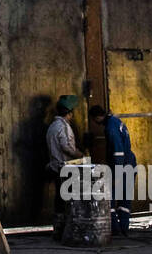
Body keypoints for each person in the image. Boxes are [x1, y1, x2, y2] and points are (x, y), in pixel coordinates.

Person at [90, 105, 136, 235]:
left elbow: (118, 152)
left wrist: (117, 173)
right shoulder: (115, 121)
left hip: (121, 166)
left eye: (94, 120)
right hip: (129, 164)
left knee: (110, 198)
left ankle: (115, 230)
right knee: (124, 200)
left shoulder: (110, 128)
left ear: (97, 117)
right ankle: (124, 229)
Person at [45, 94, 82, 240]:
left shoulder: (52, 126)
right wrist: (81, 155)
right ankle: (68, 231)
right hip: (65, 168)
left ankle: (58, 230)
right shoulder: (64, 126)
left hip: (56, 167)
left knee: (60, 200)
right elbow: (66, 147)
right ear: (70, 112)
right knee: (70, 200)